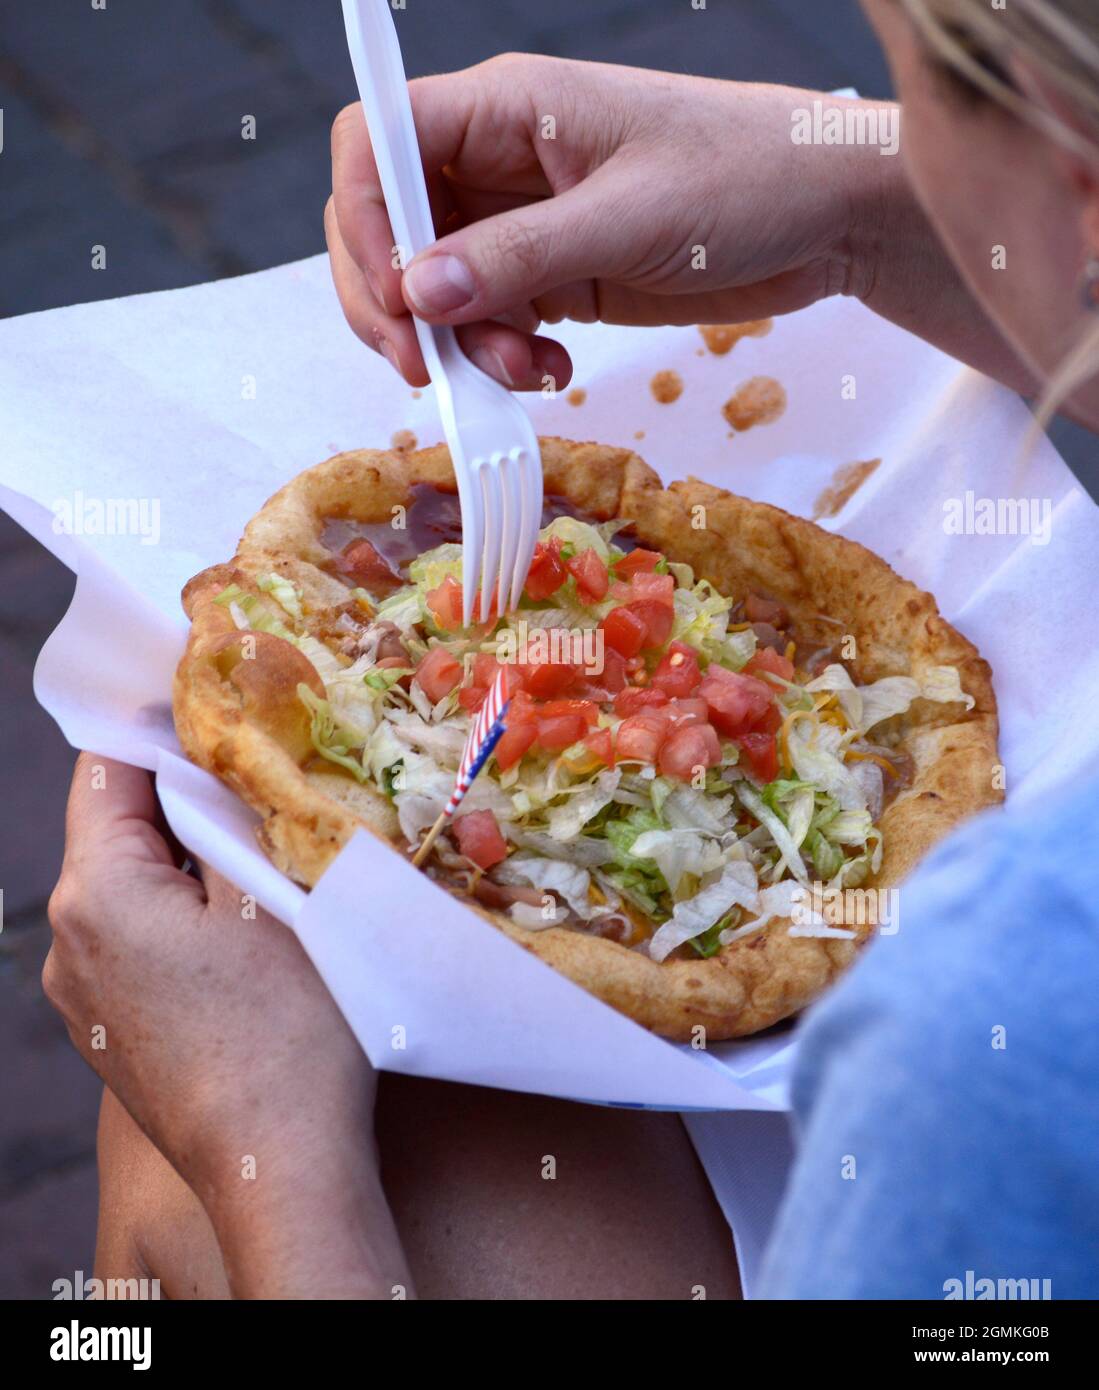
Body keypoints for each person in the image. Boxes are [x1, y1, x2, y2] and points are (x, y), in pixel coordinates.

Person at [43, 0, 1099, 1298]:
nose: (890, 127)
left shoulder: (1002, 1006)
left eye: (906, 85)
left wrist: (263, 1145)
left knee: (184, 1160)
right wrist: (858, 206)